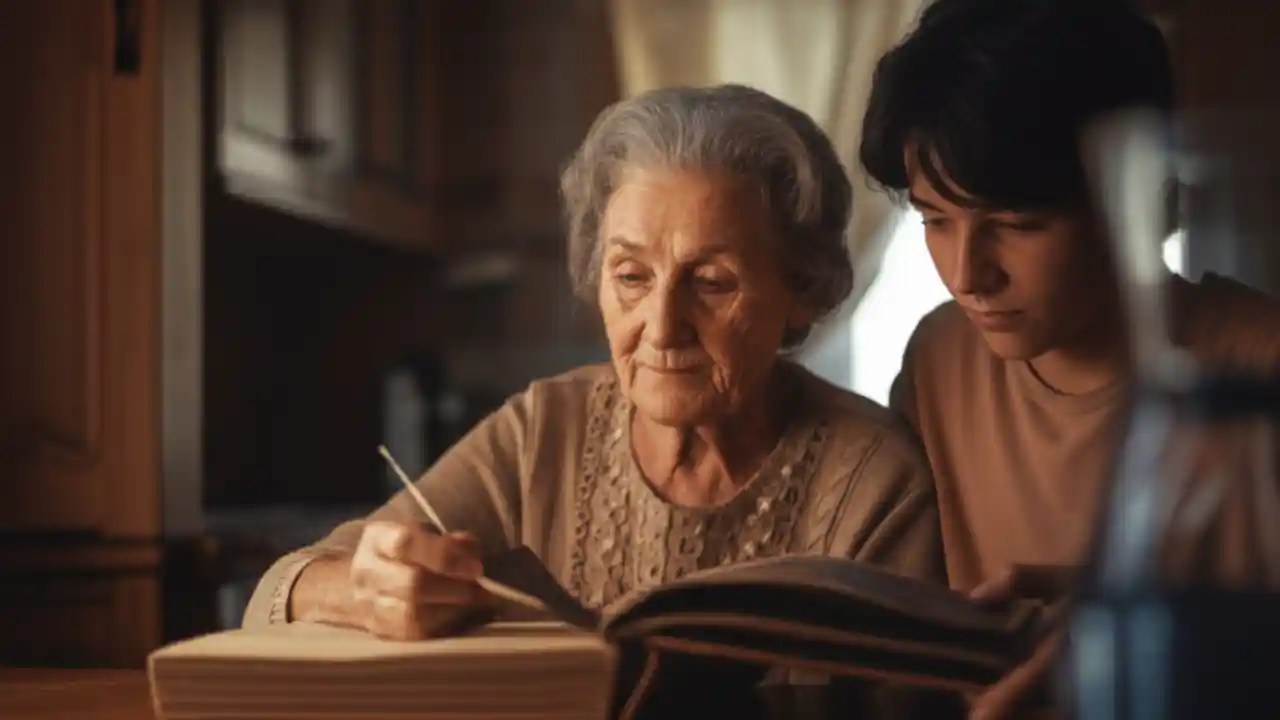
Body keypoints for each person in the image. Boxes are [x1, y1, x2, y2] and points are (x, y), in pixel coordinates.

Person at [244, 86, 943, 655]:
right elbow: (274, 595)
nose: (661, 328)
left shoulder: (876, 484)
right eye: (631, 276)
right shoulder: (543, 431)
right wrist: (361, 590)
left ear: (801, 289)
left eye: (712, 282)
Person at [859, 0, 1280, 717]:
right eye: (935, 220)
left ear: (1135, 199)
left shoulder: (1254, 368)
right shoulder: (940, 359)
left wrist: (1125, 628)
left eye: (1018, 224)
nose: (968, 274)